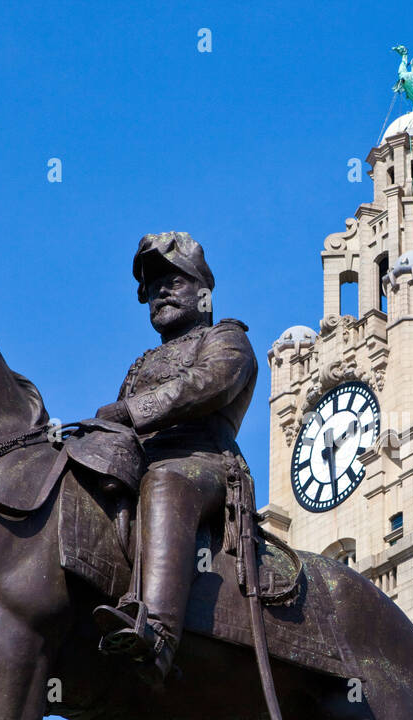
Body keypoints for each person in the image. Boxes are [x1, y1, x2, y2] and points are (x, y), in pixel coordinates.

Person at [93, 232, 257, 683]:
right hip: (141, 462)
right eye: (154, 284)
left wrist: (132, 410)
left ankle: (158, 634)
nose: (161, 290)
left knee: (165, 482)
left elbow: (210, 382)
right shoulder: (141, 362)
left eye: (175, 279)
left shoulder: (227, 338)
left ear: (203, 292)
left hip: (204, 464)